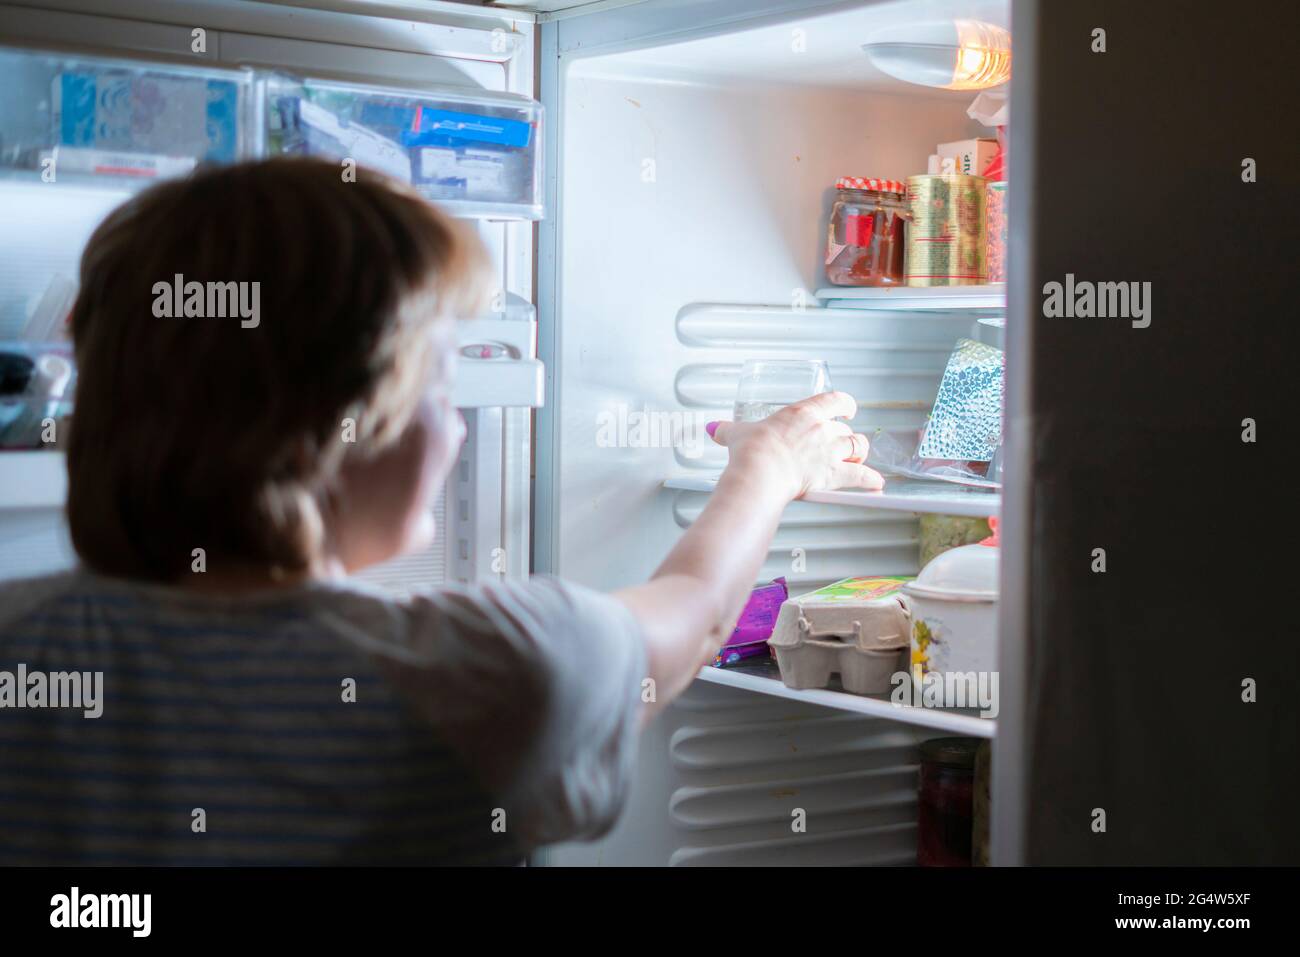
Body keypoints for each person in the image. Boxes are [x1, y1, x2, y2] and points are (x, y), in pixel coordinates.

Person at [0, 158, 881, 864]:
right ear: (343, 425)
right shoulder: (481, 672)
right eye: (441, 376)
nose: (456, 425)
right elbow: (692, 621)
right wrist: (767, 466)